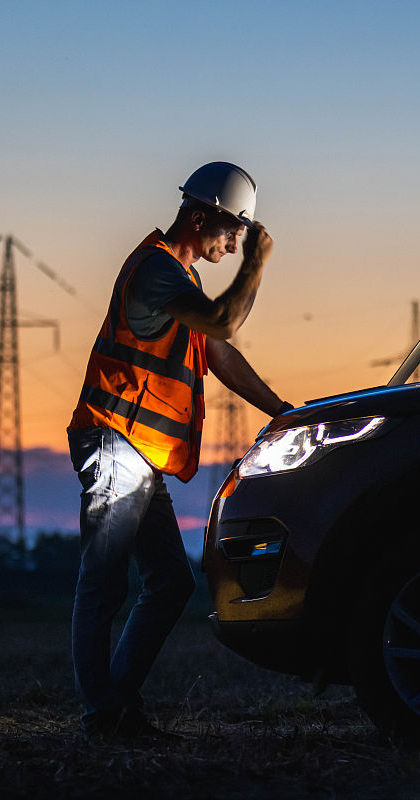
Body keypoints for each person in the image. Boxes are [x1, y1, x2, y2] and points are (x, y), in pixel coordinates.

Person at [66, 162, 292, 743]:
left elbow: (219, 350)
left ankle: (113, 705)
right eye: (232, 230)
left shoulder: (180, 281)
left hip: (139, 451)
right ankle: (102, 716)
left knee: (170, 581)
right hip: (117, 440)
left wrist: (282, 410)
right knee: (105, 581)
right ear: (200, 217)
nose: (237, 241)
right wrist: (257, 264)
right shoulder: (157, 272)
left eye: (243, 236)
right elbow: (226, 320)